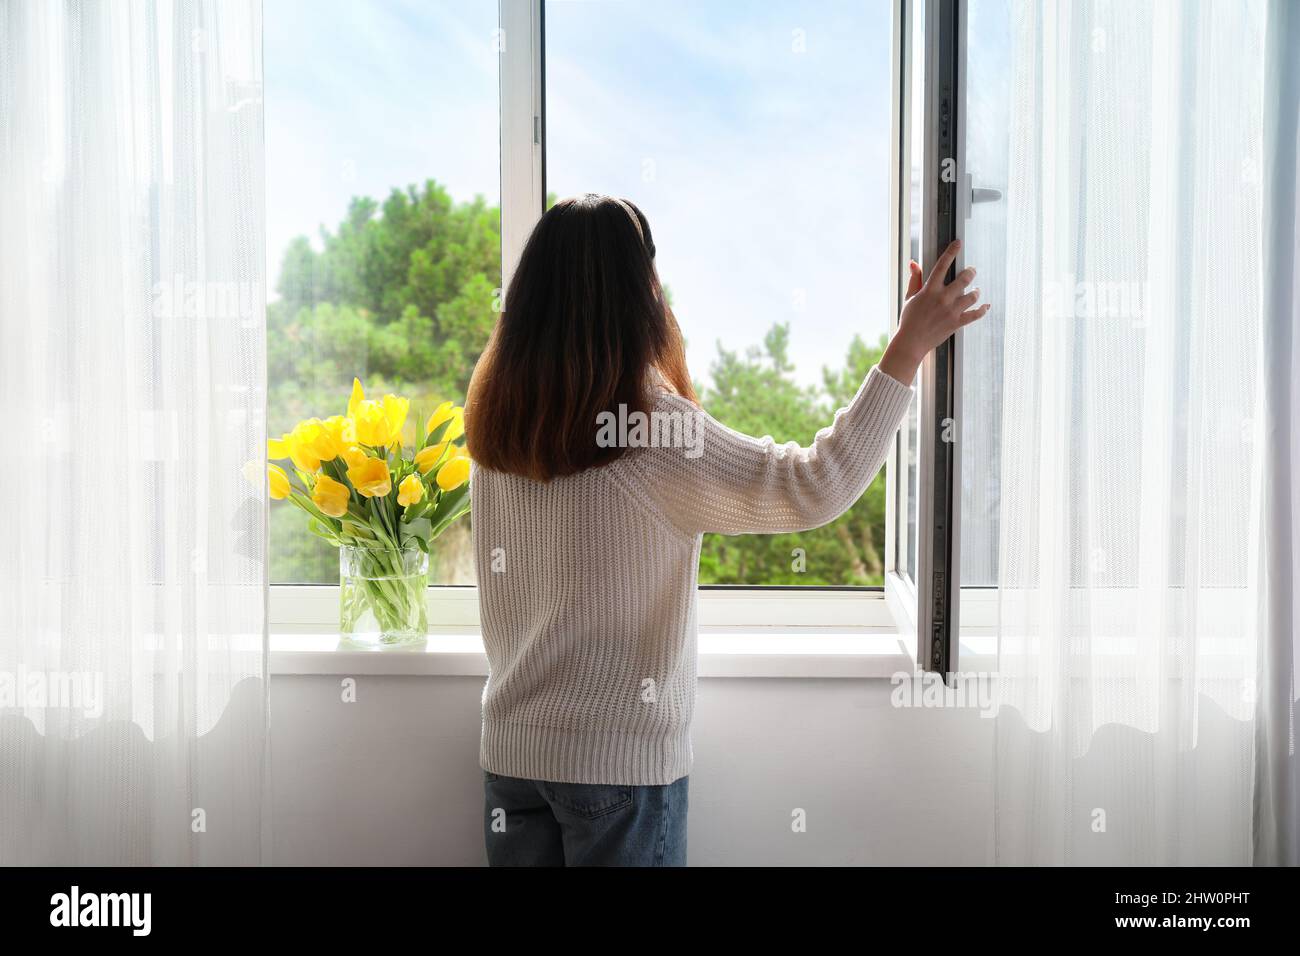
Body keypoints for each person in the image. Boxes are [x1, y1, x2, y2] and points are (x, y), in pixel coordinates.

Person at [464, 194, 986, 866]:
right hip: (615, 773)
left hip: (510, 760)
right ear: (641, 292)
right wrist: (909, 346)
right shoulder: (649, 427)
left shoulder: (498, 424)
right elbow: (814, 484)